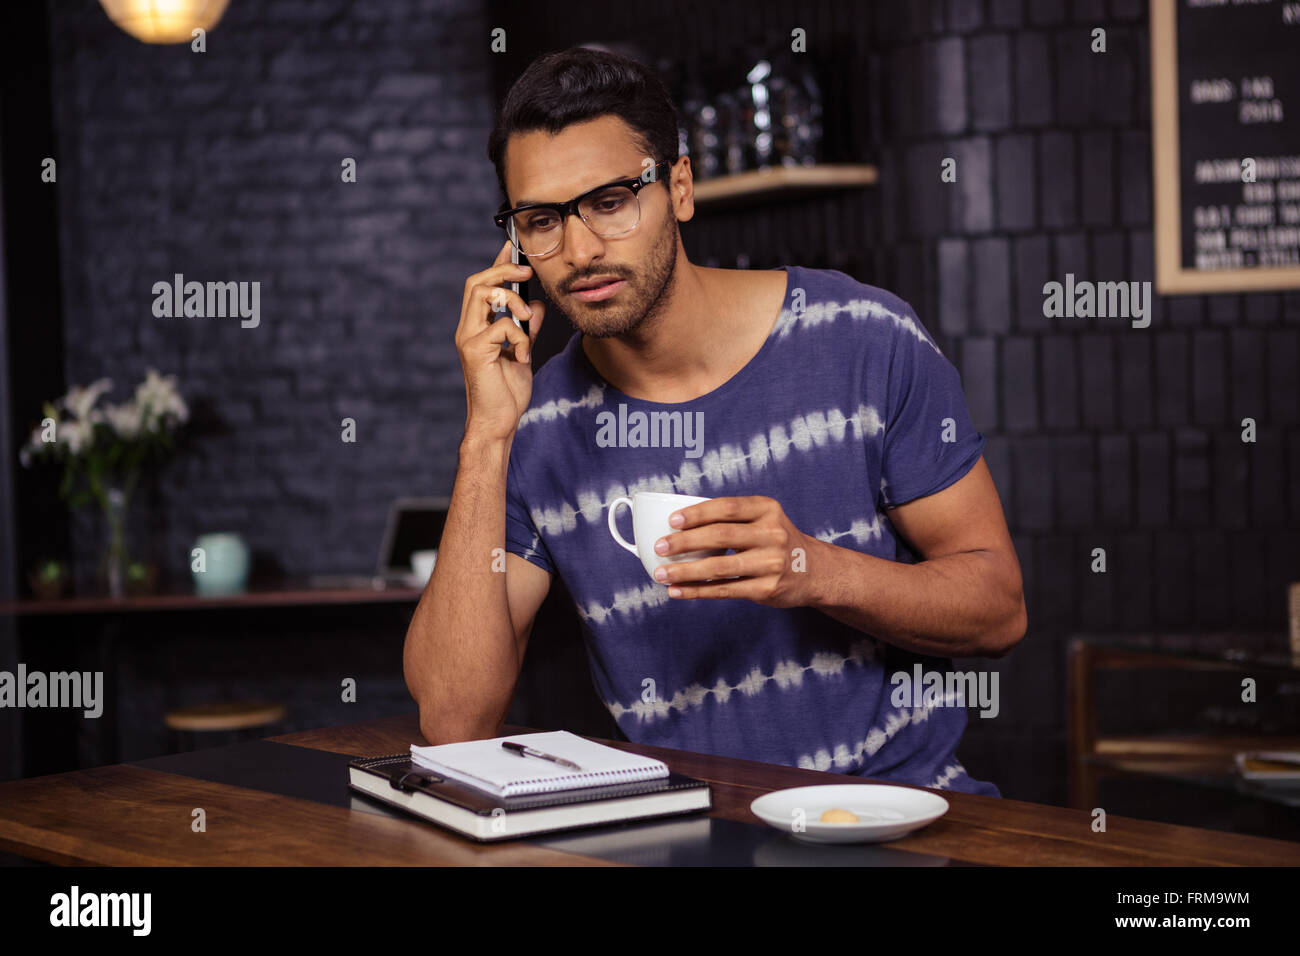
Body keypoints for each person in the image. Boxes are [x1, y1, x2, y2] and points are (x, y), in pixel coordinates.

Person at [403, 47, 1025, 796]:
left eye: (609, 202)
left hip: (900, 816)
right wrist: (485, 435)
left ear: (680, 188)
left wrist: (812, 568)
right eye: (542, 221)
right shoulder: (536, 423)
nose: (580, 250)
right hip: (685, 832)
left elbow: (998, 610)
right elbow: (452, 719)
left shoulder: (866, 337)